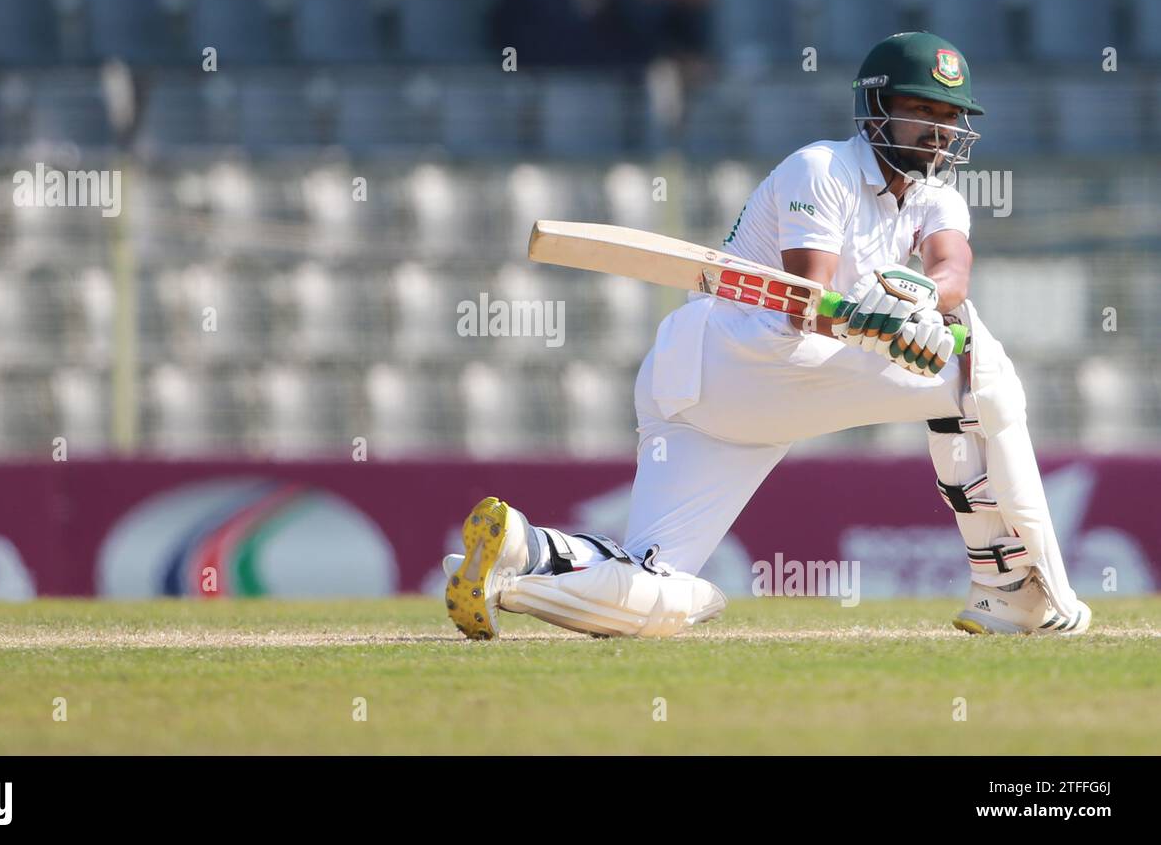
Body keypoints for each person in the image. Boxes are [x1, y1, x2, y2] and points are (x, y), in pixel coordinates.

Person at [443, 32, 1091, 639]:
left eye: (950, 115)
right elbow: (805, 302)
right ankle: (1010, 585)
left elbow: (951, 272)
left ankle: (521, 559)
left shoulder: (936, 197)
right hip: (745, 352)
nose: (938, 128)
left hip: (718, 395)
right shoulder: (823, 168)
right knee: (977, 368)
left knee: (662, 589)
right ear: (875, 109)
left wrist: (923, 303)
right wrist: (888, 329)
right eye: (920, 108)